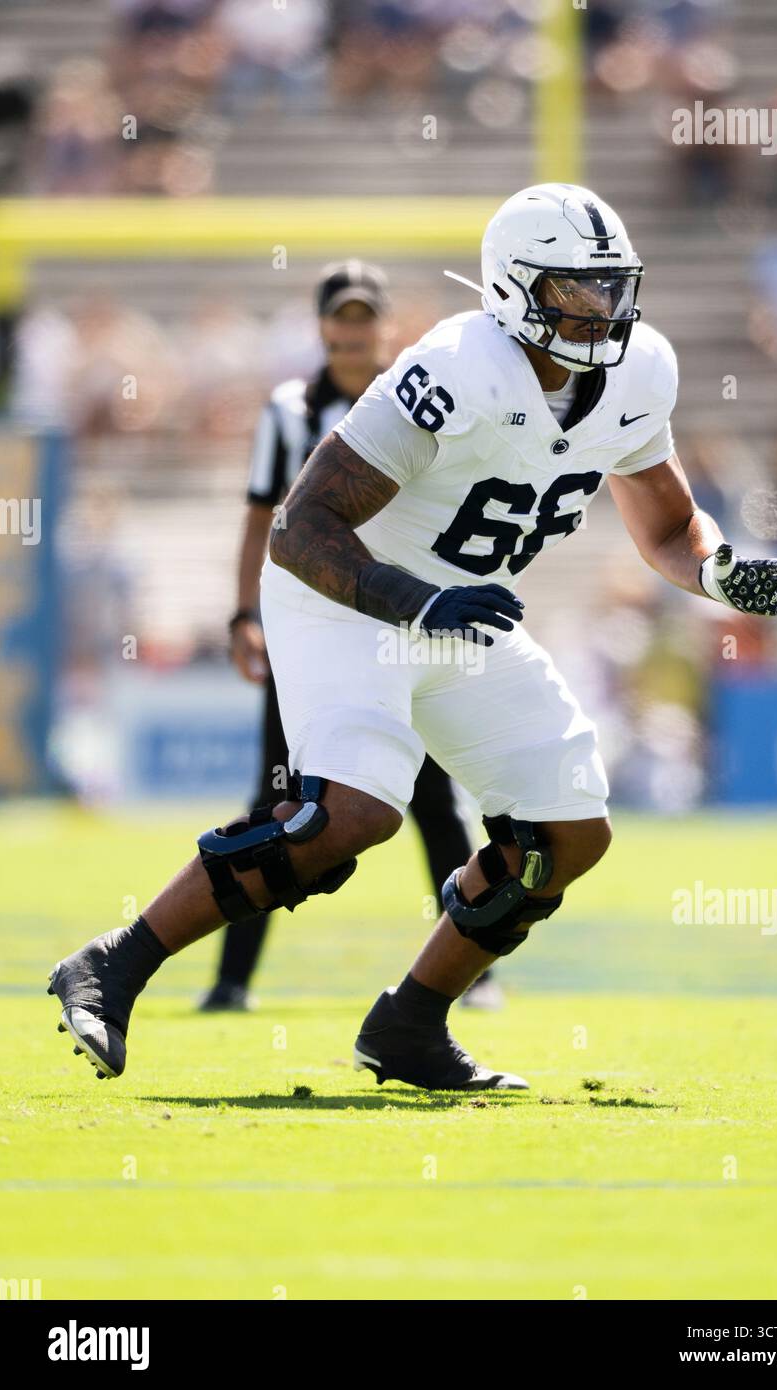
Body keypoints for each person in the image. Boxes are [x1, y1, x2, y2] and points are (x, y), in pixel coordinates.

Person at [49, 183, 777, 1091]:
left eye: (611, 287)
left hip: (462, 608)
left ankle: (409, 1026)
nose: (601, 310)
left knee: (566, 832)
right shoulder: (457, 368)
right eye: (576, 288)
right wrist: (410, 600)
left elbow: (666, 524)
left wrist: (719, 570)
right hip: (345, 595)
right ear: (515, 290)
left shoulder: (641, 372)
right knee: (348, 818)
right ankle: (112, 963)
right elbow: (303, 526)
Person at [199, 259, 501, 1012]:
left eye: (367, 317)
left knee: (432, 797)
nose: (354, 331)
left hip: (398, 621)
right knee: (278, 791)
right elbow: (262, 515)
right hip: (308, 623)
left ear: (385, 325)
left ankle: (474, 972)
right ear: (322, 325)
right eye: (343, 316)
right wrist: (245, 614)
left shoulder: (418, 399)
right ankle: (233, 980)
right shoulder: (290, 409)